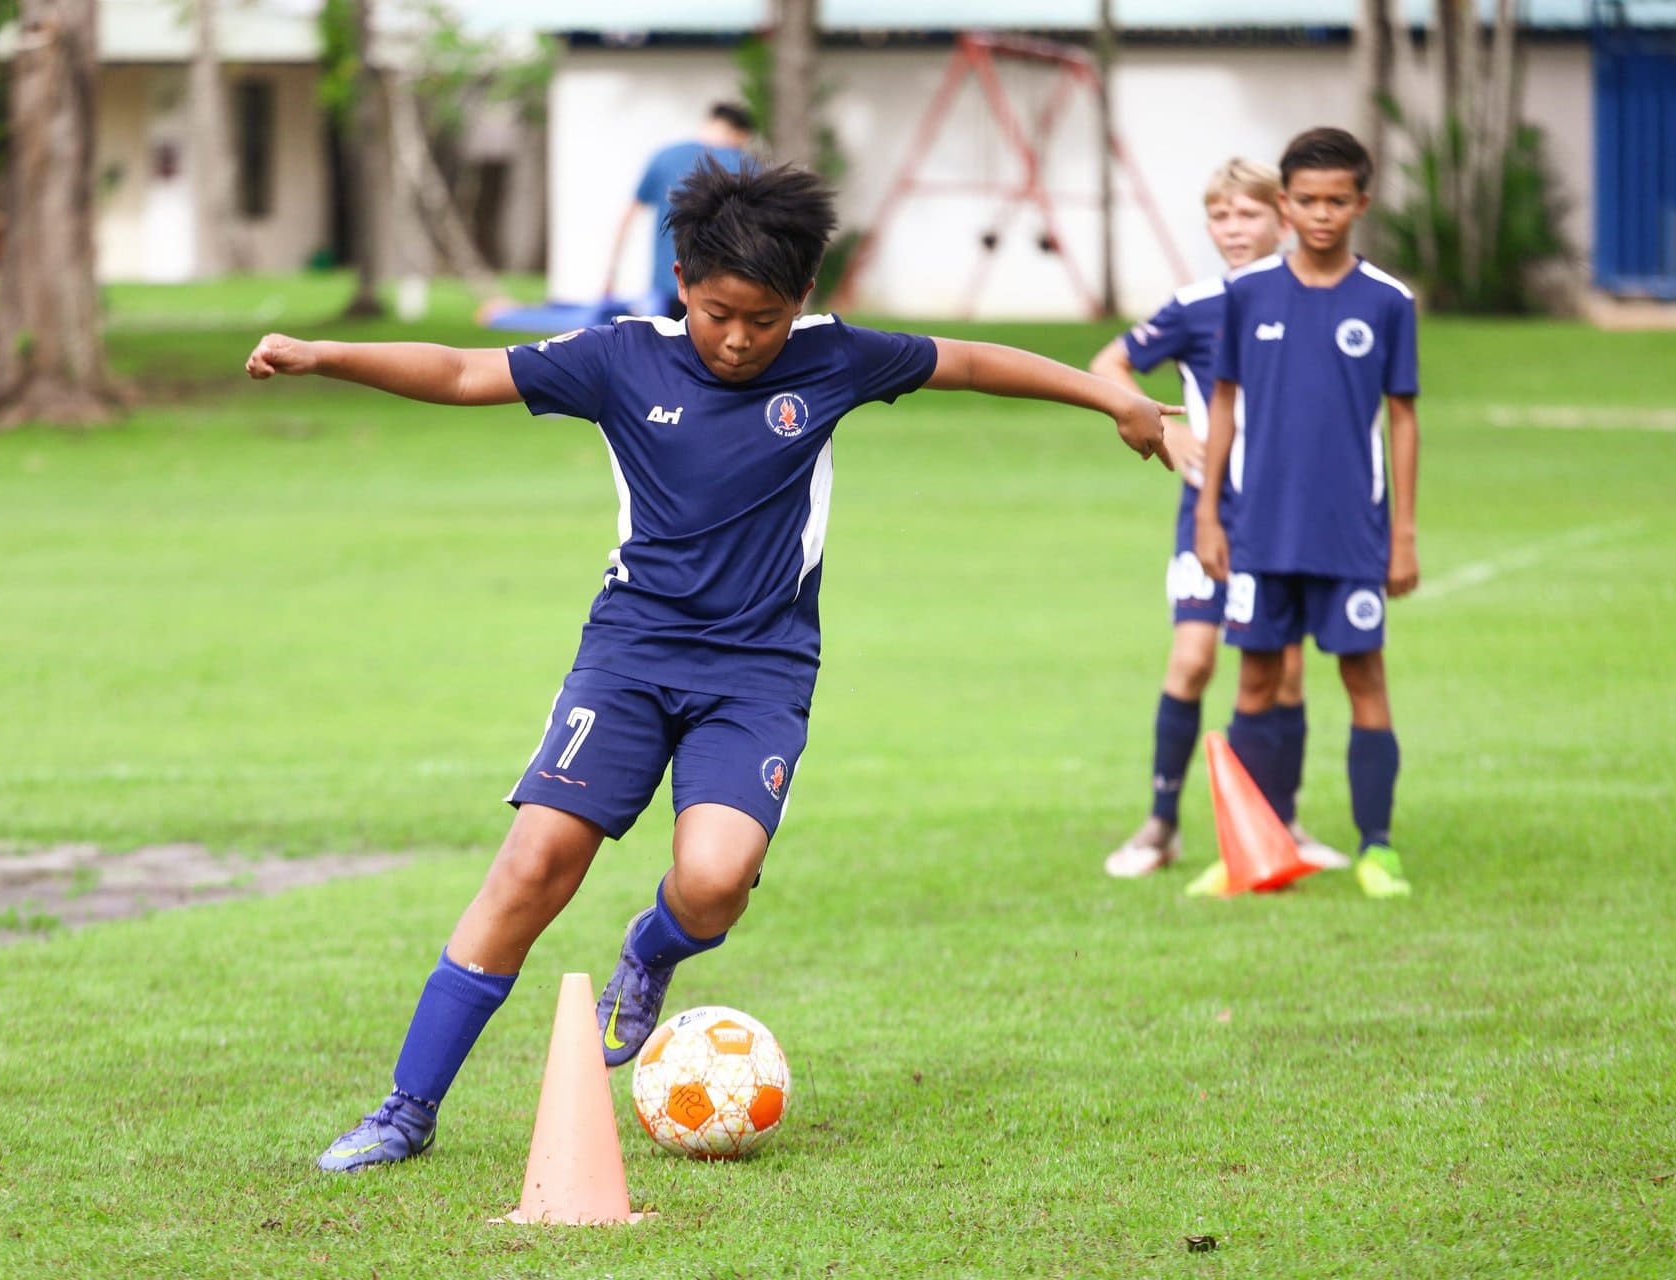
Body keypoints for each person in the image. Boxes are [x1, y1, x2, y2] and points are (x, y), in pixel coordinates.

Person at [244, 159, 1181, 1172]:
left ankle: (652, 947)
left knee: (716, 880)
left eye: (765, 319)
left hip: (761, 670)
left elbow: (973, 362)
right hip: (631, 654)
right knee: (534, 864)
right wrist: (321, 352)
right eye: (720, 311)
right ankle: (404, 1109)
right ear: (683, 278)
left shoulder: (833, 360)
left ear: (802, 305)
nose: (739, 338)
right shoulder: (620, 359)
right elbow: (469, 371)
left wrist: (1112, 401)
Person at [1088, 158, 1346, 880]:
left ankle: (1281, 824)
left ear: (1283, 219)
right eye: (1221, 216)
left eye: (1249, 214)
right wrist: (1163, 431)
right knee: (1194, 659)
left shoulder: (1319, 298)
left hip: (1290, 520)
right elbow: (1110, 363)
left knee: (1286, 674)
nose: (1234, 229)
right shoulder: (1197, 304)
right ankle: (1161, 826)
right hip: (1212, 514)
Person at [1194, 127, 1420, 899]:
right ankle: (1248, 851)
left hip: (1351, 534)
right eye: (1308, 201)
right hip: (1261, 530)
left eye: (1338, 201)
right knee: (1255, 681)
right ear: (1284, 205)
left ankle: (1377, 848)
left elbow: (1404, 420)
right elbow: (1223, 405)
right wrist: (1209, 518)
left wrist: (1404, 533)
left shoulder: (1387, 303)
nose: (1322, 215)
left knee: (1364, 677)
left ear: (1361, 203)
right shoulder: (1247, 293)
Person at [602, 102, 757, 318]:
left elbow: (629, 216)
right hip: (724, 283)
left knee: (670, 345)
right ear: (741, 134)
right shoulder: (746, 166)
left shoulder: (664, 157)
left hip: (671, 284)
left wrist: (611, 273)